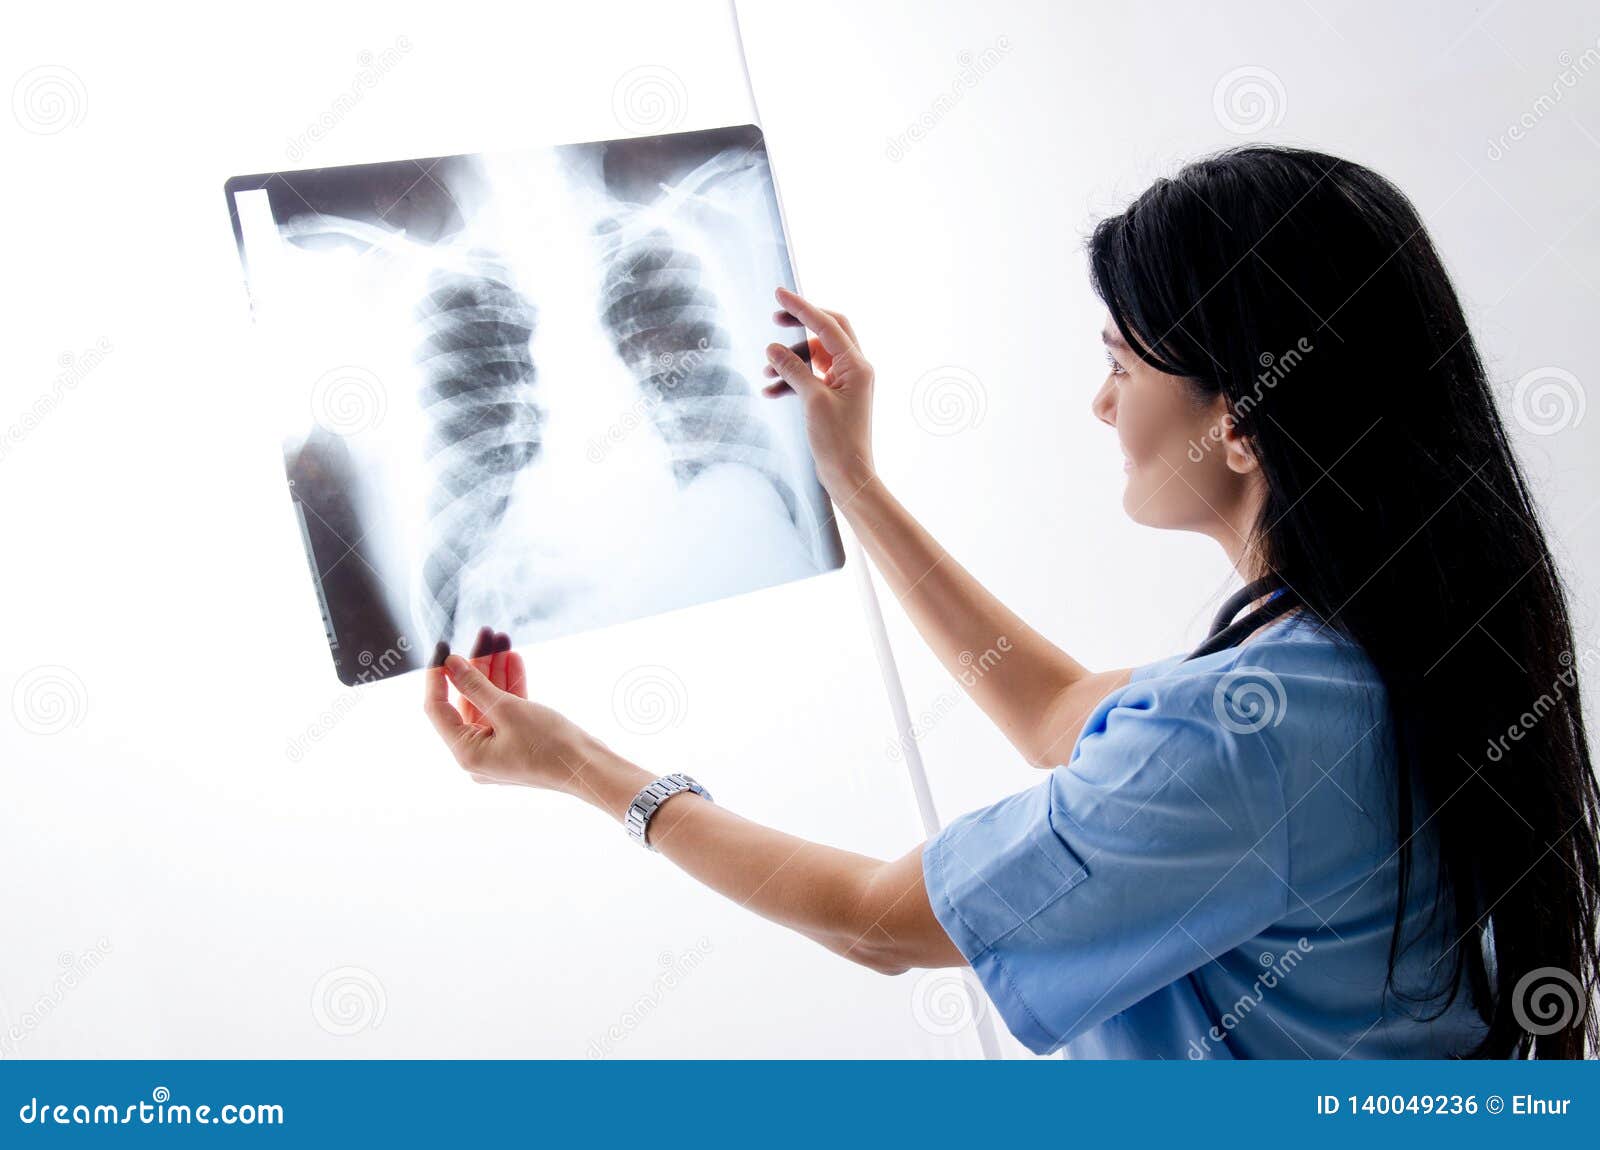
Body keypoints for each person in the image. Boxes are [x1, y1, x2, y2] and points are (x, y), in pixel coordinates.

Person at [421, 146, 1599, 1059]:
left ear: (1237, 421)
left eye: (1123, 365)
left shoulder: (1255, 733)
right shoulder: (1376, 651)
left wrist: (579, 765)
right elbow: (1063, 717)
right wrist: (854, 484)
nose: (1101, 405)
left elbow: (873, 920)